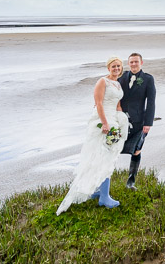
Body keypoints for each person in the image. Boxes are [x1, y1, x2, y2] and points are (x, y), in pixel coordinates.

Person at [56, 57, 130, 214]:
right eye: (113, 66)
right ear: (108, 68)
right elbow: (99, 104)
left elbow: (117, 104)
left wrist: (121, 120)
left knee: (106, 157)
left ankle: (97, 188)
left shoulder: (117, 84)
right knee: (104, 157)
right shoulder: (102, 81)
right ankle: (104, 197)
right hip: (104, 122)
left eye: (118, 66)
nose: (116, 68)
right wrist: (105, 123)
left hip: (114, 121)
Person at [120, 53, 156, 189]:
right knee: (114, 149)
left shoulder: (148, 79)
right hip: (121, 121)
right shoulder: (122, 77)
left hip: (139, 122)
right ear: (128, 63)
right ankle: (106, 178)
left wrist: (148, 123)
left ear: (141, 63)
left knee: (137, 150)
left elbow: (151, 102)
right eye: (131, 62)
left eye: (136, 62)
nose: (133, 64)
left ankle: (131, 181)